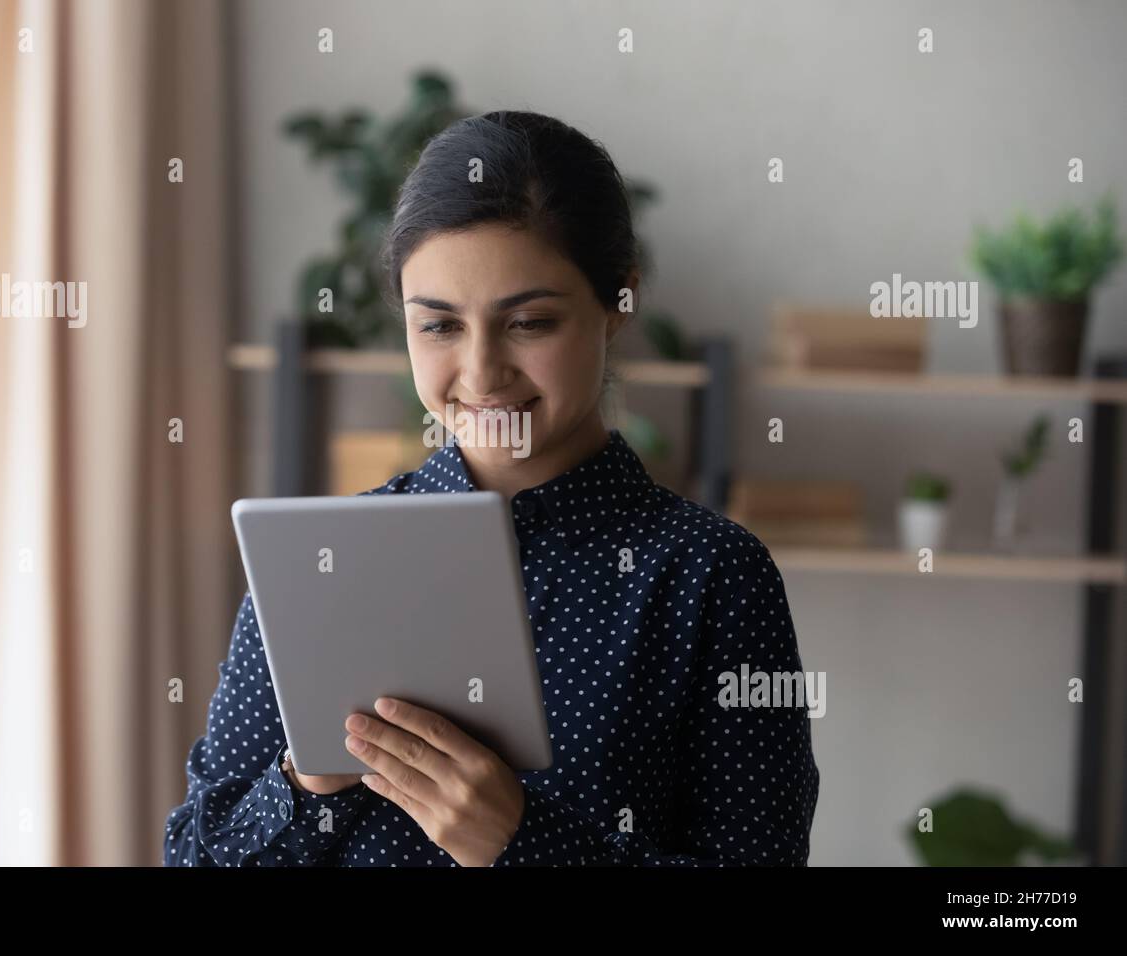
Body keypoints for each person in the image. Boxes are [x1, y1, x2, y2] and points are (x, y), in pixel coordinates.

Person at [164, 109, 819, 866]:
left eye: (529, 323)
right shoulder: (318, 561)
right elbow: (193, 856)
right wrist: (307, 783)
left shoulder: (713, 578)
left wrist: (518, 842)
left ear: (618, 305)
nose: (481, 374)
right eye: (439, 327)